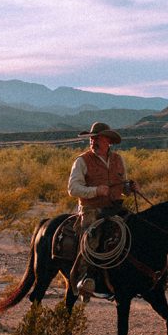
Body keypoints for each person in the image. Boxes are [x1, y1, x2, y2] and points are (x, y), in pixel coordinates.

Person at [68, 121, 135, 300]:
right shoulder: (82, 161)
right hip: (91, 209)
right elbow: (73, 189)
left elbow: (123, 185)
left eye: (98, 138)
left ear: (108, 141)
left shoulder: (118, 160)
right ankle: (84, 279)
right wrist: (96, 191)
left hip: (115, 207)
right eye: (92, 138)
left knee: (138, 227)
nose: (93, 141)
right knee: (92, 238)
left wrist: (129, 188)